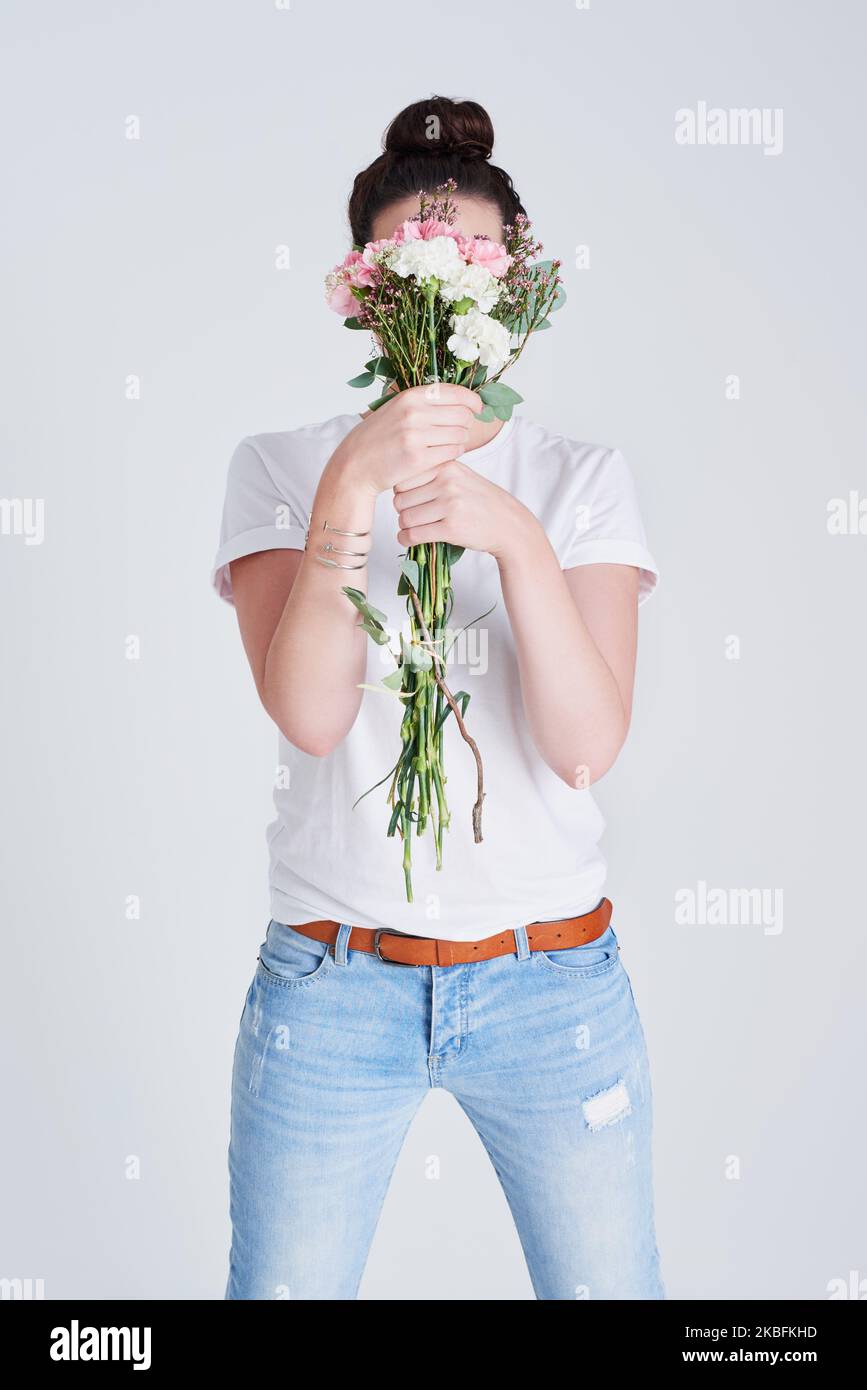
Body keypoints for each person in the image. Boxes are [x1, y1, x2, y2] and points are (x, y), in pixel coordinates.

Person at [211, 95, 664, 1300]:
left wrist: (512, 536)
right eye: (414, 246)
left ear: (513, 275)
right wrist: (351, 488)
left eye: (468, 245)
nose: (442, 268)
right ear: (365, 285)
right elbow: (309, 714)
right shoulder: (283, 465)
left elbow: (586, 745)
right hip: (331, 981)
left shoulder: (580, 480)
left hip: (552, 979)